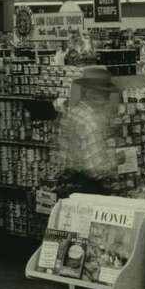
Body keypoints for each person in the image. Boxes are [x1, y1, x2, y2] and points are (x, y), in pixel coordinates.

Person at [53, 65, 121, 194]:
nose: (106, 101)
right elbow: (95, 170)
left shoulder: (72, 112)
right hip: (88, 188)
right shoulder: (90, 122)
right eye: (104, 96)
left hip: (69, 183)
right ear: (91, 94)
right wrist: (116, 160)